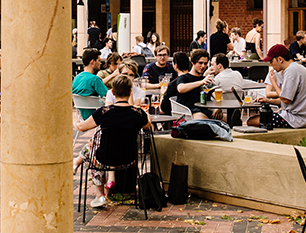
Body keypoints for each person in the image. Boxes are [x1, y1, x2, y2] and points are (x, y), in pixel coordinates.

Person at [75, 75, 150, 209]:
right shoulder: (137, 113)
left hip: (106, 158)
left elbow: (82, 128)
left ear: (113, 93)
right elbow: (147, 125)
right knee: (95, 143)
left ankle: (99, 195)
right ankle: (107, 186)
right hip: (129, 159)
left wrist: (75, 122)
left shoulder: (103, 112)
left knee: (93, 148)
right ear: (130, 92)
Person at [247, 44, 306, 129]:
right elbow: (289, 99)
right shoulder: (297, 68)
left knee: (252, 121)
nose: (271, 65)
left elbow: (285, 99)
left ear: (280, 59)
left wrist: (273, 82)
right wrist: (268, 101)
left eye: (271, 61)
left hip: (296, 120)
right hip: (305, 118)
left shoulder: (291, 71)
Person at [161, 50, 212, 118]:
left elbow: (215, 95)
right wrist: (201, 82)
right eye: (200, 63)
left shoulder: (205, 79)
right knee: (201, 118)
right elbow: (180, 88)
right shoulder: (184, 78)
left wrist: (218, 108)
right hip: (189, 113)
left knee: (227, 117)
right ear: (192, 63)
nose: (203, 66)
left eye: (205, 63)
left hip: (206, 111)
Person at [72, 48, 109, 118]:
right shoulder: (95, 79)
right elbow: (109, 96)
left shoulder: (76, 78)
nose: (100, 63)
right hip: (96, 117)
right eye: (98, 60)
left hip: (81, 118)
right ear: (92, 62)